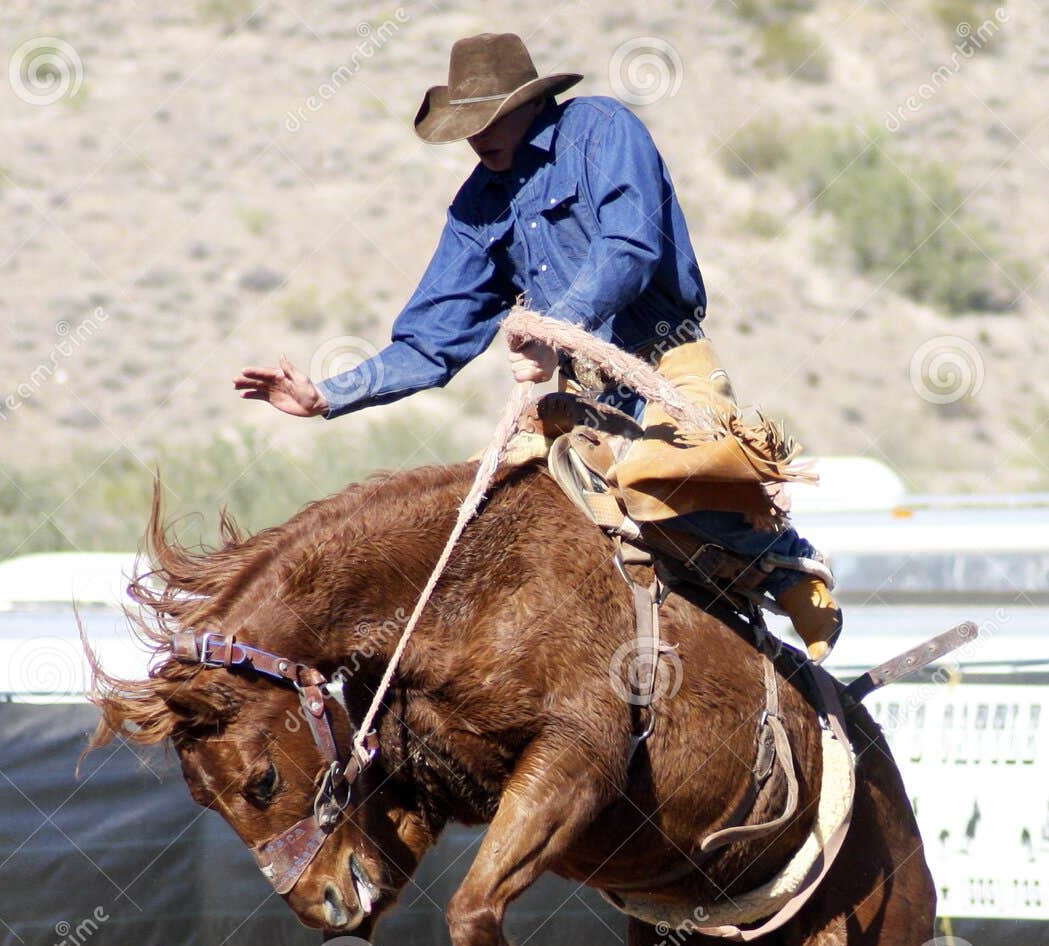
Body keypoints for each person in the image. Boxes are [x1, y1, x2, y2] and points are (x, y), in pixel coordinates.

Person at [235, 33, 840, 658]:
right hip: (582, 397)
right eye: (464, 126)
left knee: (653, 473)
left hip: (666, 364)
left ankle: (790, 564)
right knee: (483, 507)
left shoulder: (602, 129)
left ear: (531, 104)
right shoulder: (478, 204)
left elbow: (630, 247)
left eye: (488, 120)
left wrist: (555, 327)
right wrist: (326, 396)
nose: (476, 138)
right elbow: (434, 338)